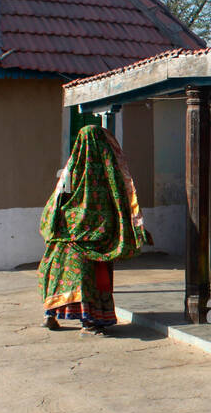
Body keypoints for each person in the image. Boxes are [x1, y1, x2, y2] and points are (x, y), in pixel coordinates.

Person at [38, 125, 149, 336]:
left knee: (58, 274)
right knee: (89, 278)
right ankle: (89, 322)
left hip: (68, 234)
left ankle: (50, 315)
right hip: (97, 235)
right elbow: (122, 198)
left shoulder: (70, 170)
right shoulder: (109, 170)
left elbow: (57, 199)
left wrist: (56, 224)